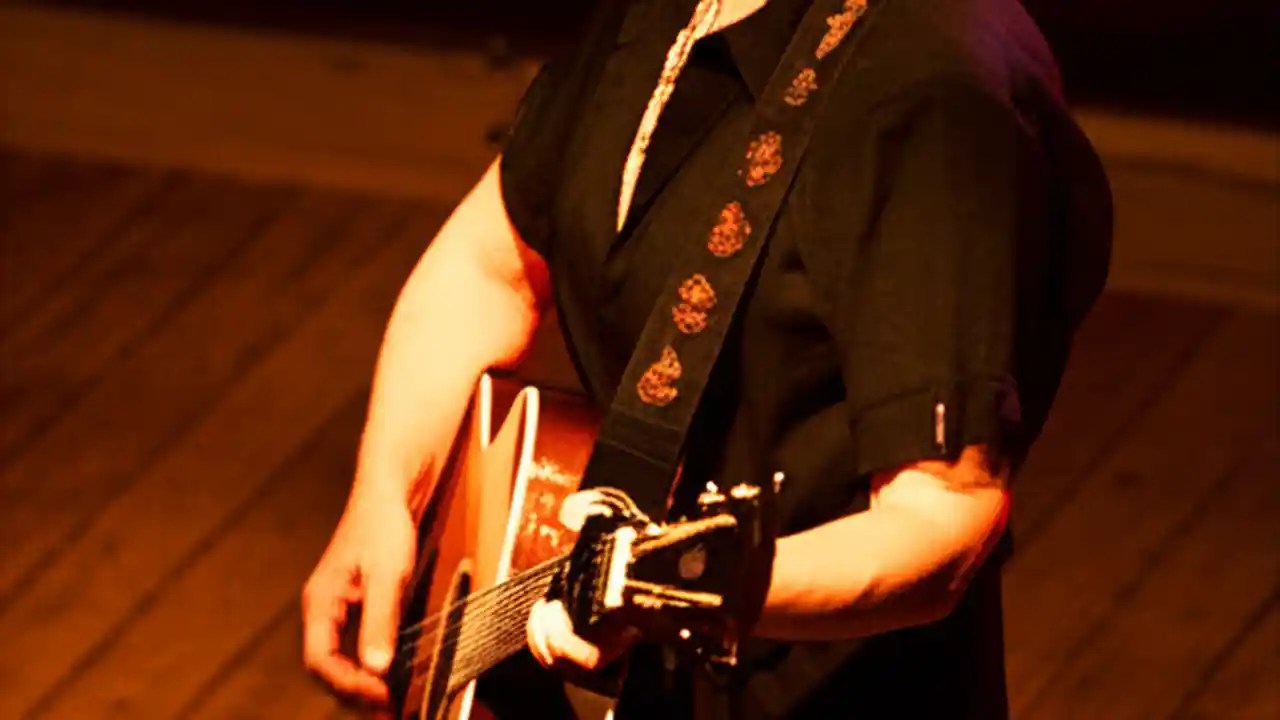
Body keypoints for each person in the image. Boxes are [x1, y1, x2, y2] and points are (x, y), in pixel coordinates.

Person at [302, 0, 1112, 716]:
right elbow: (496, 259)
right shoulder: (681, 12)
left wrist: (677, 585)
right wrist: (385, 498)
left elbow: (945, 520)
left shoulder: (934, 84)